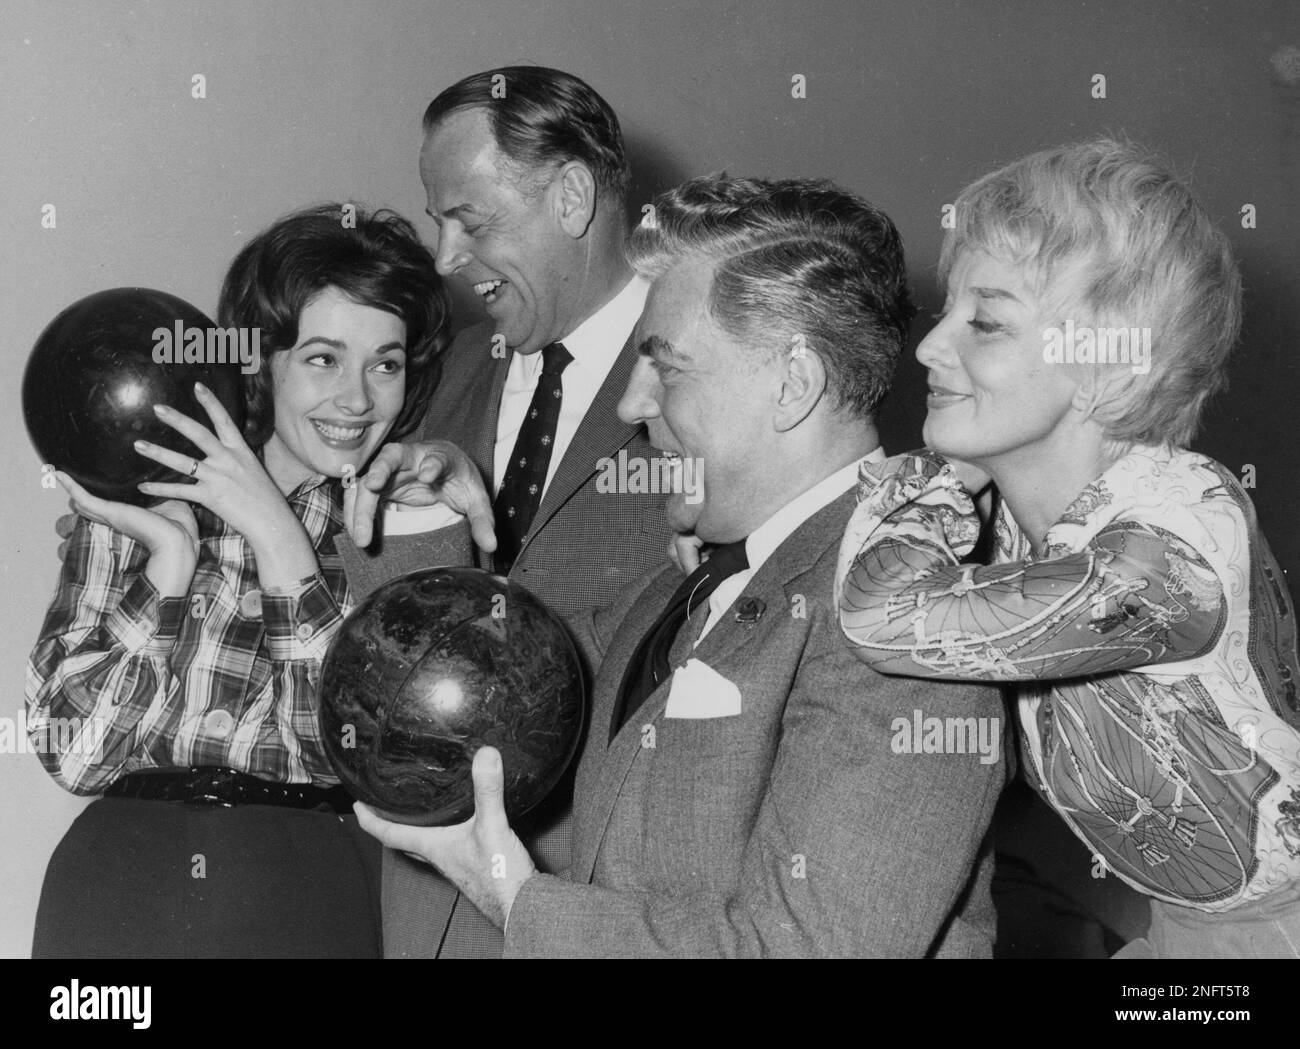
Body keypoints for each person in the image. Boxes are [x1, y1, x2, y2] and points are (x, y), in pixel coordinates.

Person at [356, 175, 1009, 957]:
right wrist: (425, 506)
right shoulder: (689, 581)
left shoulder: (910, 618)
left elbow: (807, 949)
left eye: (665, 366)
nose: (631, 404)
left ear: (792, 383)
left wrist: (512, 897)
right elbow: (479, 684)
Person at [835, 138, 1300, 958]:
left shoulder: (1171, 546)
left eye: (985, 321)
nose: (930, 346)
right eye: (947, 310)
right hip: (1184, 921)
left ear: (1105, 366)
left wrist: (935, 474)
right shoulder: (1026, 514)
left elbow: (880, 614)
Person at [27, 204, 453, 957]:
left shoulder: (408, 527)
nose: (357, 399)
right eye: (324, 358)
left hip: (307, 894)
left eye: (384, 363)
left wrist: (280, 541)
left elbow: (351, 760)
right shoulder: (130, 499)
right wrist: (167, 566)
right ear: (257, 358)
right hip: (118, 892)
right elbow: (79, 752)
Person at [343, 66, 676, 958]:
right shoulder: (439, 377)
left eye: (472, 221)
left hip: (609, 912)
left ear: (572, 196)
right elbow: (387, 665)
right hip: (431, 917)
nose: (446, 258)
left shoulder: (705, 376)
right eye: (436, 220)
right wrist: (413, 518)